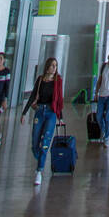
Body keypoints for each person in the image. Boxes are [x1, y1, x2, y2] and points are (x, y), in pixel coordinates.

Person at [21, 55, 64, 185]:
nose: (54, 68)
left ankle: (39, 170)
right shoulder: (40, 80)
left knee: (45, 141)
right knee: (35, 142)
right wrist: (24, 112)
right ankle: (41, 158)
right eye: (52, 65)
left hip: (51, 113)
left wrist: (60, 117)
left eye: (55, 66)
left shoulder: (58, 81)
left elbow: (59, 100)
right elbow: (33, 95)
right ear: (47, 67)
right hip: (40, 111)